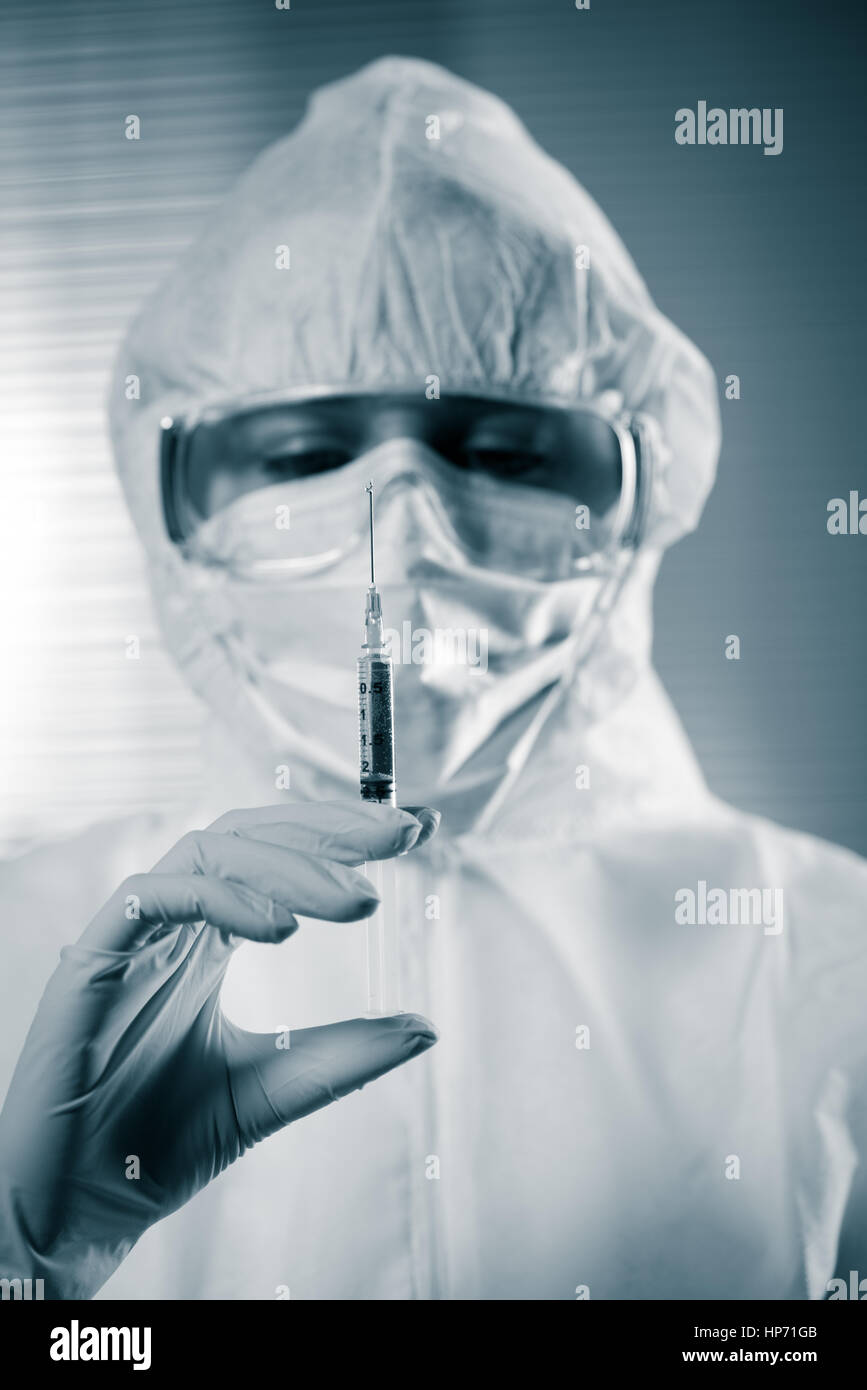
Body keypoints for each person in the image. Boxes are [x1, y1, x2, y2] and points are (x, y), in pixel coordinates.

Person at [2, 56, 866, 1302]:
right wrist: (31, 1280)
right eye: (303, 451)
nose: (400, 524)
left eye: (501, 449)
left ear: (636, 503)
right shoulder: (28, 946)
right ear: (167, 501)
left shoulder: (829, 960)